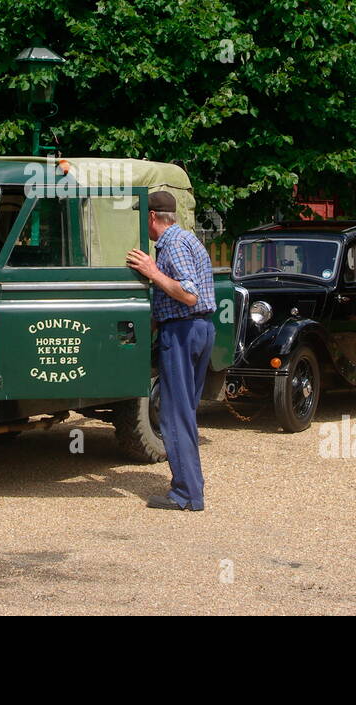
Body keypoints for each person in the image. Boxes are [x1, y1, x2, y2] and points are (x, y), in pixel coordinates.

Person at [125, 190, 216, 511]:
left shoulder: (172, 245)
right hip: (200, 329)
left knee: (173, 415)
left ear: (152, 217)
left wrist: (152, 272)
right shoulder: (188, 240)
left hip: (182, 330)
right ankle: (192, 486)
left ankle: (186, 494)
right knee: (185, 413)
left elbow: (188, 294)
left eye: (142, 216)